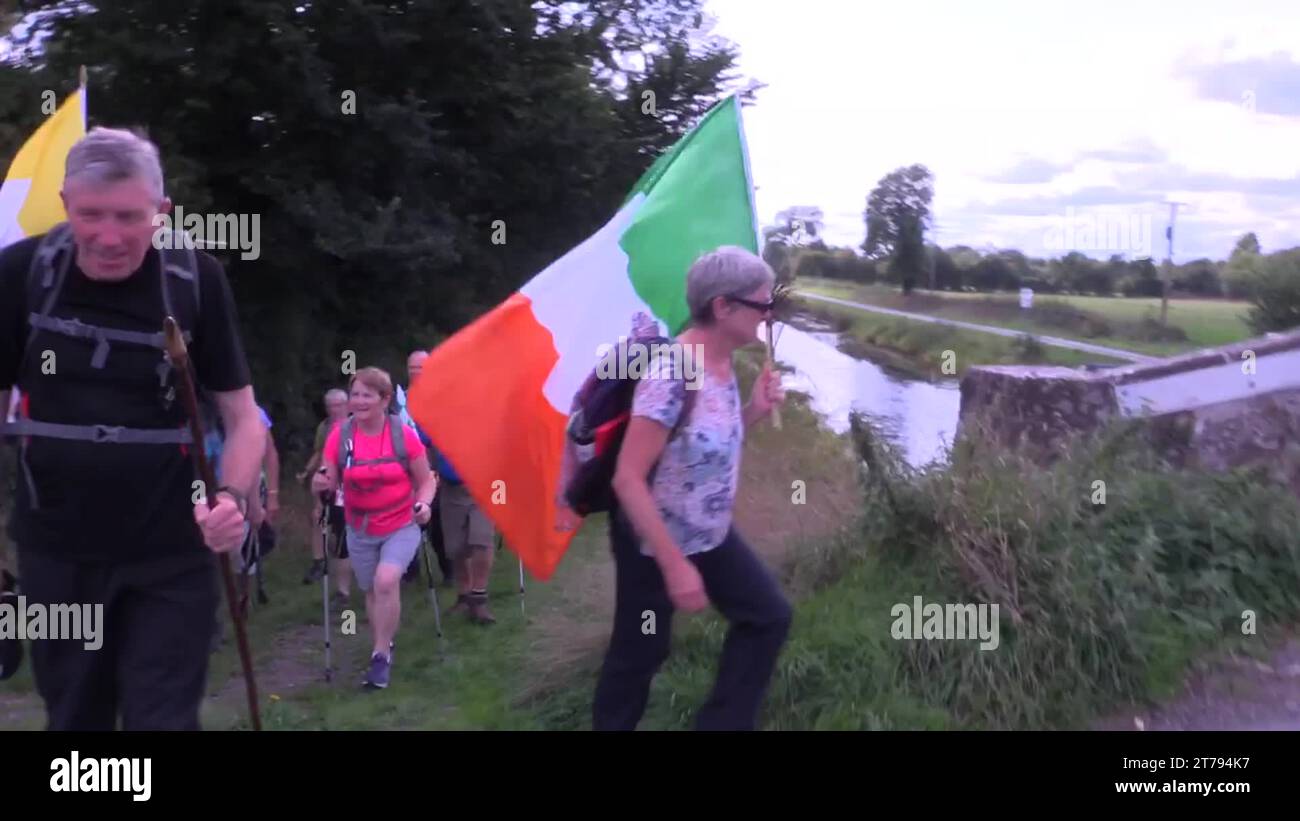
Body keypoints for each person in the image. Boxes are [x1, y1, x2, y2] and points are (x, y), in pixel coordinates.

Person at [0, 127, 262, 730]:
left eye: (129, 216)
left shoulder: (196, 279)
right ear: (65, 202)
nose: (109, 237)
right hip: (55, 555)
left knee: (163, 721)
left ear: (162, 213)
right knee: (74, 720)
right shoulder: (23, 273)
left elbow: (243, 417)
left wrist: (231, 498)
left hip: (172, 554)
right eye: (91, 215)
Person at [591, 245, 791, 731]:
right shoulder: (673, 373)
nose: (769, 317)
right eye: (763, 306)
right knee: (640, 653)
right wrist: (674, 565)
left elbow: (702, 447)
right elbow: (627, 477)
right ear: (724, 307)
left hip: (710, 533)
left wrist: (754, 414)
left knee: (768, 617)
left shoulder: (723, 365)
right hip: (653, 541)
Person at [312, 367, 436, 689]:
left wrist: (424, 505)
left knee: (386, 580)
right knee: (372, 590)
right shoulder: (340, 435)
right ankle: (385, 640)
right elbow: (329, 478)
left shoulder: (402, 434)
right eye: (355, 394)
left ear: (384, 399)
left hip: (401, 521)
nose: (359, 401)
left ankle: (380, 656)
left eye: (368, 395)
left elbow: (426, 481)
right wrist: (321, 484)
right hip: (360, 525)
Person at [392, 349, 453, 586]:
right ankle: (410, 568)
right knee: (404, 521)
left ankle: (448, 569)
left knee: (436, 523)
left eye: (422, 368)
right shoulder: (399, 401)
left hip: (434, 470)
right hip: (404, 473)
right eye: (413, 368)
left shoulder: (442, 400)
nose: (417, 373)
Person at [297, 387, 352, 600]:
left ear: (347, 406)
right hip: (330, 484)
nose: (334, 410)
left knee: (346, 532)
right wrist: (308, 471)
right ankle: (321, 564)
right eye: (330, 406)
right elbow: (320, 453)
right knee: (321, 520)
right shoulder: (325, 427)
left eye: (338, 405)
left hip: (354, 485)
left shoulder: (356, 424)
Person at [434, 445, 497, 624]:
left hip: (486, 483)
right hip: (451, 489)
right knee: (456, 548)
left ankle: (479, 598)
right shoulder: (438, 418)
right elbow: (423, 441)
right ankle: (464, 595)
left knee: (482, 540)